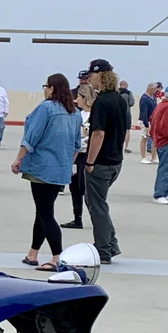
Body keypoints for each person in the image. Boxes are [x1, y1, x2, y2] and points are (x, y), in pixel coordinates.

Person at [10, 73, 82, 271]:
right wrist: (67, 164)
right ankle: (33, 253)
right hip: (61, 170)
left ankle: (57, 256)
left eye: (45, 86)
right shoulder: (74, 112)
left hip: (42, 168)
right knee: (43, 210)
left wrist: (18, 158)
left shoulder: (46, 108)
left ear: (52, 88)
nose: (44, 89)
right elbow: (77, 144)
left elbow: (31, 137)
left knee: (45, 213)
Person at [81, 59, 126, 265]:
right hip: (116, 160)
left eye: (92, 75)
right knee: (97, 202)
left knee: (96, 205)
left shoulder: (102, 102)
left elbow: (98, 133)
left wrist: (90, 161)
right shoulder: (119, 99)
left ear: (101, 75)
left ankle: (103, 249)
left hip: (101, 162)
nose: (89, 78)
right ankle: (111, 243)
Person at [60, 83, 95, 230]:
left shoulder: (94, 114)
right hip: (75, 153)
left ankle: (95, 218)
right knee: (74, 186)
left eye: (79, 97)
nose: (76, 100)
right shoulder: (77, 114)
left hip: (87, 153)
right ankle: (77, 218)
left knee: (84, 187)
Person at [138, 82, 158, 163]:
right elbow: (144, 112)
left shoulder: (153, 97)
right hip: (145, 120)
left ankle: (153, 157)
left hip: (153, 120)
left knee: (154, 139)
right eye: (154, 89)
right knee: (144, 138)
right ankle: (143, 157)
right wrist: (146, 125)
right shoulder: (144, 98)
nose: (155, 91)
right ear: (150, 89)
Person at [118, 80, 135, 152]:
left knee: (118, 129)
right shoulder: (128, 93)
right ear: (125, 85)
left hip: (117, 112)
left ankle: (118, 145)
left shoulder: (116, 92)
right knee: (127, 130)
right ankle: (126, 147)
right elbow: (131, 102)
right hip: (126, 112)